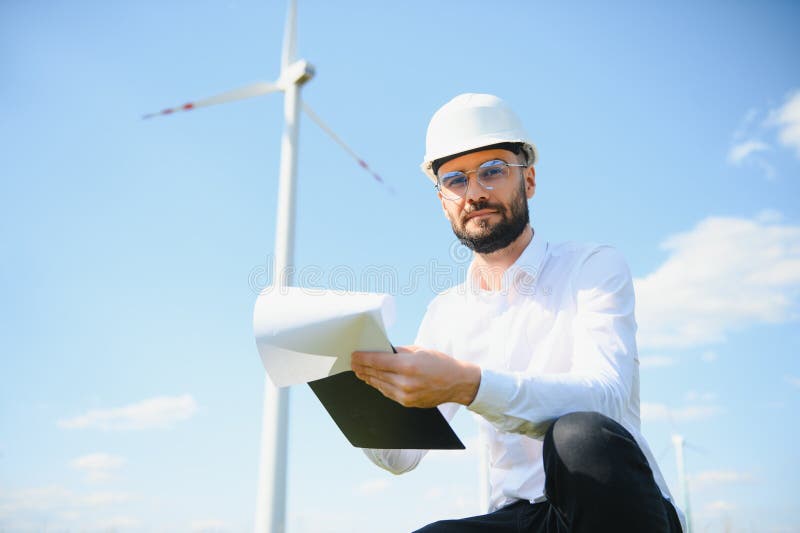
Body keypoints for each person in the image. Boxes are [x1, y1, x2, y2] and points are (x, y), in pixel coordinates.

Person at [350, 93, 684, 532]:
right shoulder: (447, 312)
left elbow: (604, 398)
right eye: (455, 180)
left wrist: (469, 384)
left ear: (528, 181)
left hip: (610, 503)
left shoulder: (593, 268)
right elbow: (399, 457)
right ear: (442, 202)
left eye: (492, 172)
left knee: (578, 436)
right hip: (521, 517)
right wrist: (347, 373)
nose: (475, 193)